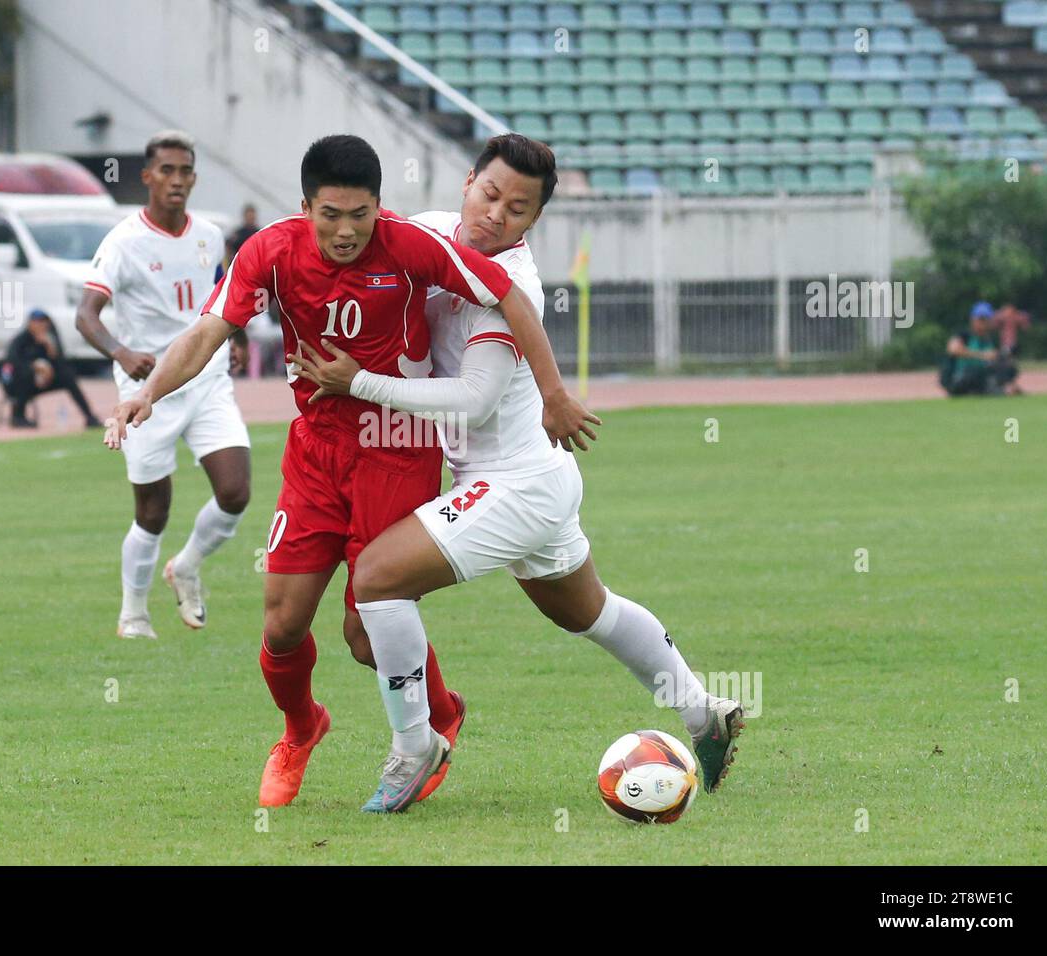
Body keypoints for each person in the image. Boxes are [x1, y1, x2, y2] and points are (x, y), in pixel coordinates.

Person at [106, 133, 598, 808]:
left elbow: (510, 296)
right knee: (281, 627)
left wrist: (554, 394)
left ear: (378, 207)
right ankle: (302, 728)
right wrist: (145, 394)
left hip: (397, 449)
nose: (344, 230)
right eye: (330, 214)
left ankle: (439, 715)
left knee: (366, 632)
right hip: (316, 450)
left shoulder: (409, 246)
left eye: (359, 214)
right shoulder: (269, 251)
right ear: (305, 205)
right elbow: (205, 334)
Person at [290, 134, 742, 813]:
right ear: (468, 182)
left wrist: (363, 383)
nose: (496, 213)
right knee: (590, 612)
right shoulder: (430, 234)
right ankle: (706, 711)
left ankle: (416, 744)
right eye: (490, 194)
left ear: (533, 222)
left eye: (518, 208)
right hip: (530, 480)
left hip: (514, 482)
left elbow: (473, 398)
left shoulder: (515, 286)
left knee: (377, 578)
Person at [76, 130, 252, 640]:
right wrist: (122, 353)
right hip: (145, 391)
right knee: (153, 511)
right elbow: (86, 316)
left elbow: (224, 292)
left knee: (235, 491)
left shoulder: (210, 234)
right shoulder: (123, 242)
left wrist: (235, 336)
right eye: (167, 171)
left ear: (194, 178)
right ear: (147, 176)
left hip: (208, 377)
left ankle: (189, 565)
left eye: (185, 171)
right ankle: (133, 611)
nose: (177, 181)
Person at [1, 309, 101, 428]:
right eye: (37, 322)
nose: (40, 325)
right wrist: (34, 368)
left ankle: (89, 417)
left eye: (43, 322)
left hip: (43, 381)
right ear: (30, 324)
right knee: (24, 376)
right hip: (17, 383)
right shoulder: (20, 340)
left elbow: (61, 364)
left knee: (68, 377)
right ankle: (17, 417)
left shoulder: (51, 339)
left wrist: (50, 349)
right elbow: (11, 362)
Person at [942, 301, 1021, 396]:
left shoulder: (991, 339)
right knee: (975, 372)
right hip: (961, 377)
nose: (984, 322)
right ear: (973, 319)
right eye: (981, 319)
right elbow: (953, 349)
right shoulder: (964, 335)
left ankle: (1005, 389)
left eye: (987, 319)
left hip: (983, 376)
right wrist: (982, 355)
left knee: (1008, 367)